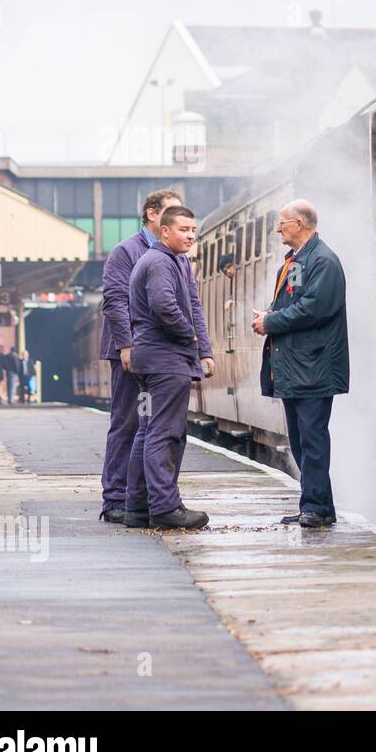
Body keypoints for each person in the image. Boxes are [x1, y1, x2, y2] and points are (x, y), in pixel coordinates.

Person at [252, 199, 349, 527]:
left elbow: (313, 309)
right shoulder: (296, 262)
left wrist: (272, 322)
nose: (278, 228)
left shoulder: (323, 261)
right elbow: (292, 301)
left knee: (312, 440)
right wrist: (270, 315)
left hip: (314, 368)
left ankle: (317, 509)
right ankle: (315, 504)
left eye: (283, 222)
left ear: (301, 224)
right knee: (300, 441)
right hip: (297, 367)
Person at [123, 205, 215, 530]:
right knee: (166, 432)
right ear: (164, 231)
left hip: (149, 363)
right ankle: (164, 507)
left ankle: (136, 506)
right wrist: (188, 335)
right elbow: (165, 305)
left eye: (193, 230)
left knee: (147, 430)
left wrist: (204, 349)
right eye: (183, 229)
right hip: (166, 364)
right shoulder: (161, 262)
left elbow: (193, 305)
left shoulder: (175, 261)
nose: (190, 235)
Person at [97, 189, 183, 523]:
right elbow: (115, 301)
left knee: (152, 424)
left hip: (159, 356)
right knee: (127, 422)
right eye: (172, 211)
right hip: (130, 354)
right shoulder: (125, 252)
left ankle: (144, 497)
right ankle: (115, 498)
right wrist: (127, 346)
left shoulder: (174, 252)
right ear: (151, 213)